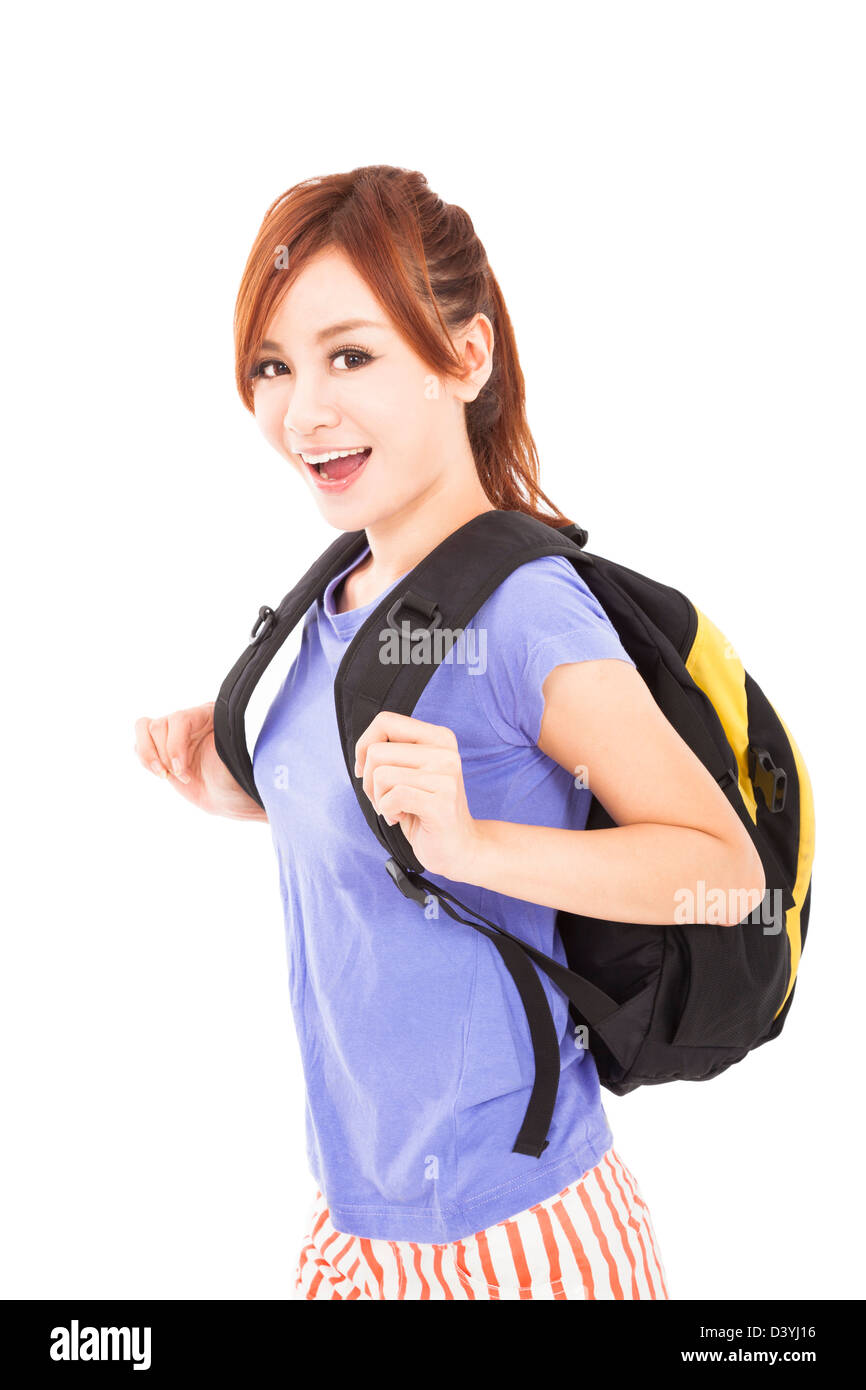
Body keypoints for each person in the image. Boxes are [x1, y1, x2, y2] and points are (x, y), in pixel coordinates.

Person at [134, 165, 765, 1300]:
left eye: (351, 355)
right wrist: (256, 786)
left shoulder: (523, 613)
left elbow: (721, 876)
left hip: (514, 1242)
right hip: (355, 1224)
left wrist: (472, 844)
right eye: (273, 366)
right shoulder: (343, 587)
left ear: (463, 358)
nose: (302, 410)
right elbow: (392, 825)